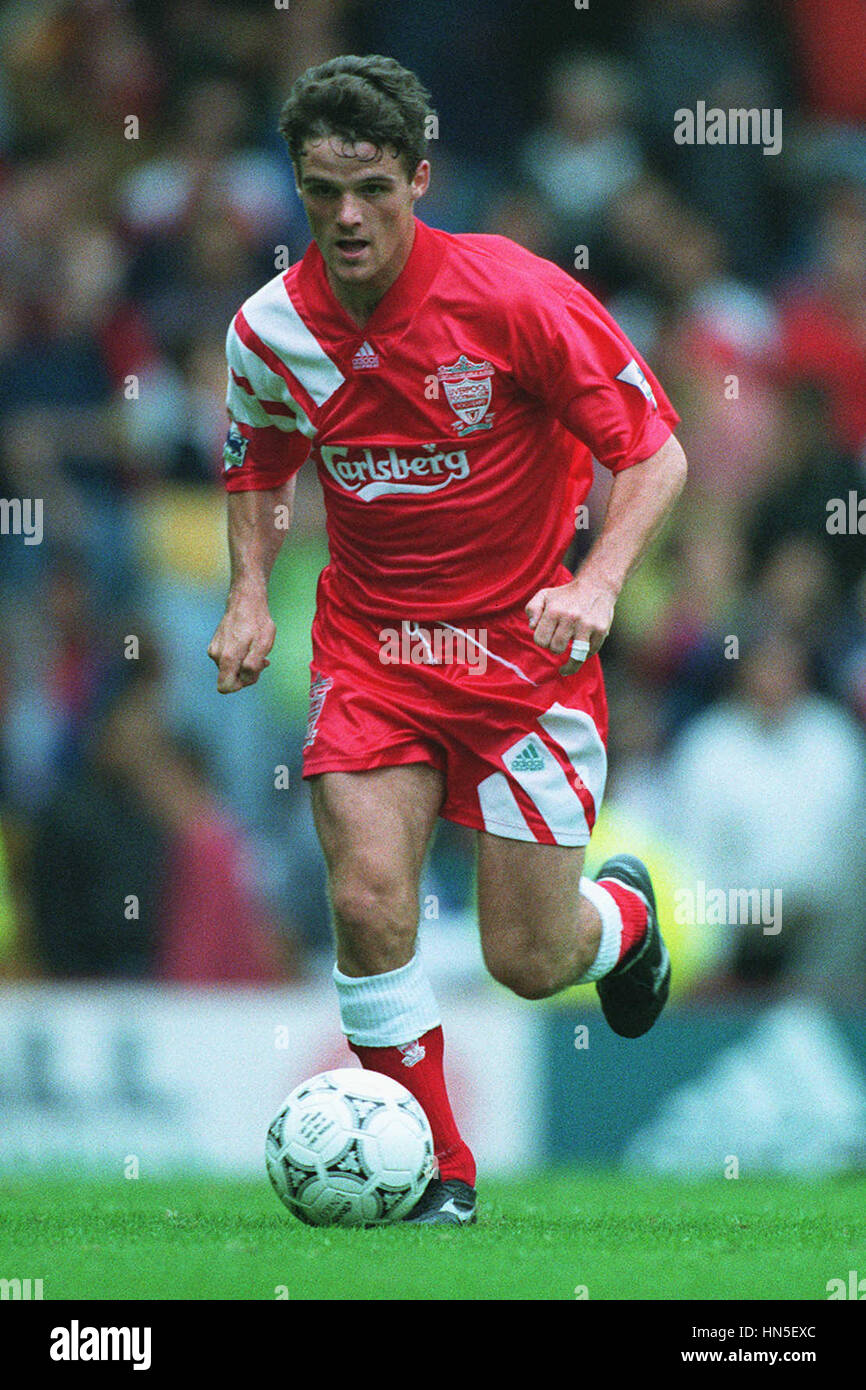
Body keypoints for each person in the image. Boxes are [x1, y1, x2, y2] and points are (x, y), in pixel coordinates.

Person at [208, 55, 688, 1225]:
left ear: (419, 178)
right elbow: (258, 460)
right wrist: (249, 592)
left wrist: (598, 579)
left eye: (371, 187)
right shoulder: (267, 333)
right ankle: (434, 1175)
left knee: (529, 959)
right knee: (369, 897)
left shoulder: (517, 298)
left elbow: (655, 450)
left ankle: (620, 924)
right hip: (372, 653)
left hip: (524, 657)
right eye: (321, 192)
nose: (347, 216)